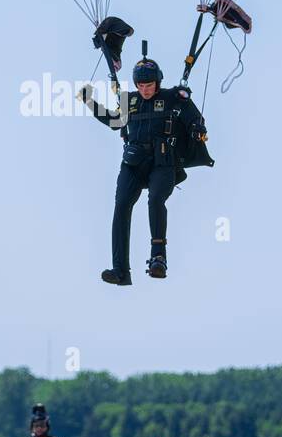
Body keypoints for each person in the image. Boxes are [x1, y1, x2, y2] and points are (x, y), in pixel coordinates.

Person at [81, 56, 209, 284]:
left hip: (163, 162)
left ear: (157, 83)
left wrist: (197, 128)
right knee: (121, 205)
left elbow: (194, 118)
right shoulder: (128, 100)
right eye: (141, 86)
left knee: (156, 200)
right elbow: (114, 122)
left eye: (149, 86)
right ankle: (120, 271)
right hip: (134, 163)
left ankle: (158, 258)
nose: (145, 90)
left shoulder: (173, 97)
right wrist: (89, 101)